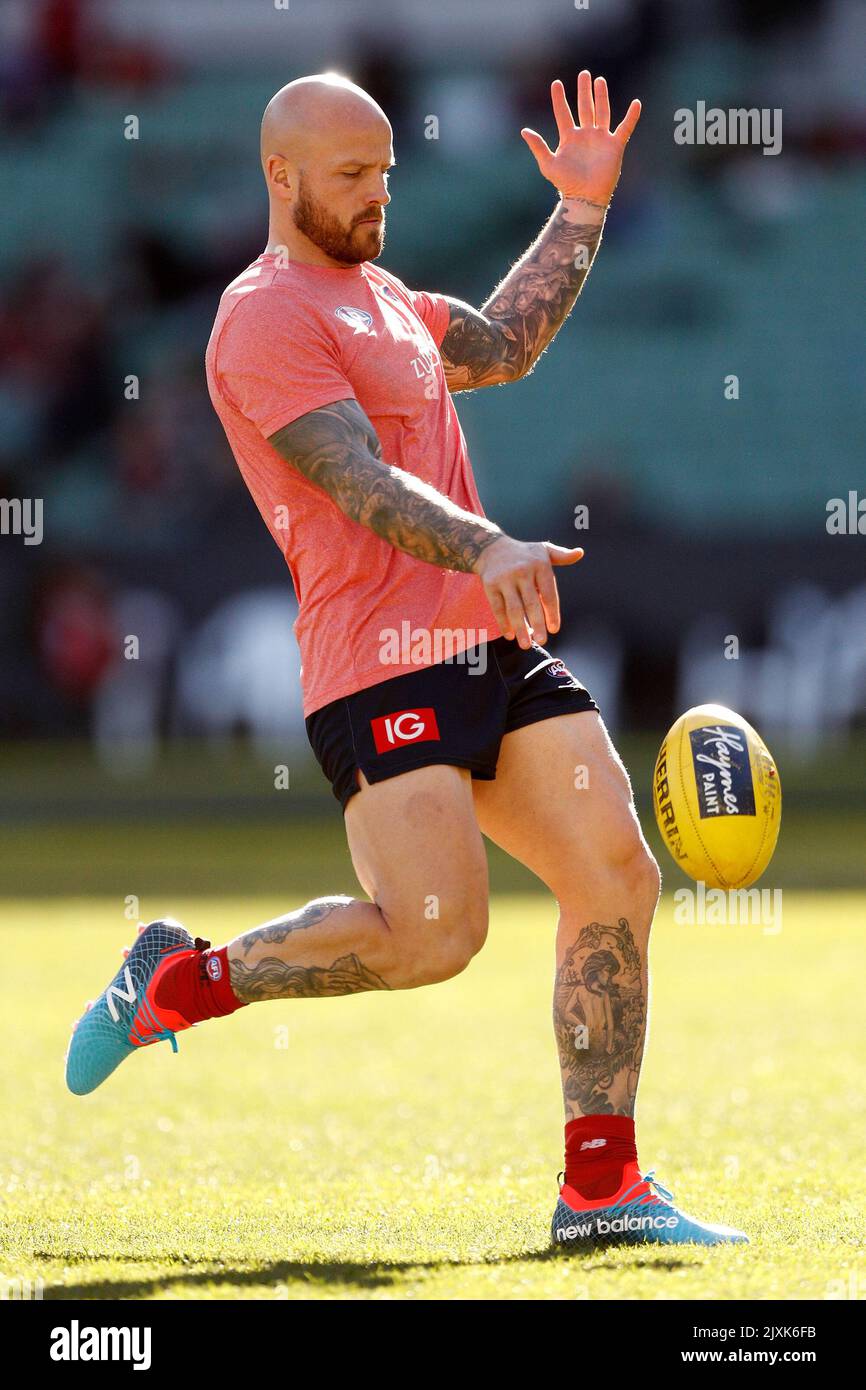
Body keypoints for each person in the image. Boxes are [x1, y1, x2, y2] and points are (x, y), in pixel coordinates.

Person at [67, 71, 746, 1248]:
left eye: (386, 170)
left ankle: (599, 1191)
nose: (380, 193)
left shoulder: (383, 294)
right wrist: (485, 542)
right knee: (433, 935)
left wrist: (579, 210)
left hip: (492, 643)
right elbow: (354, 481)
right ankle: (182, 979)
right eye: (350, 176)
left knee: (614, 873)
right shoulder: (262, 316)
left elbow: (506, 344)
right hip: (377, 663)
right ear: (278, 178)